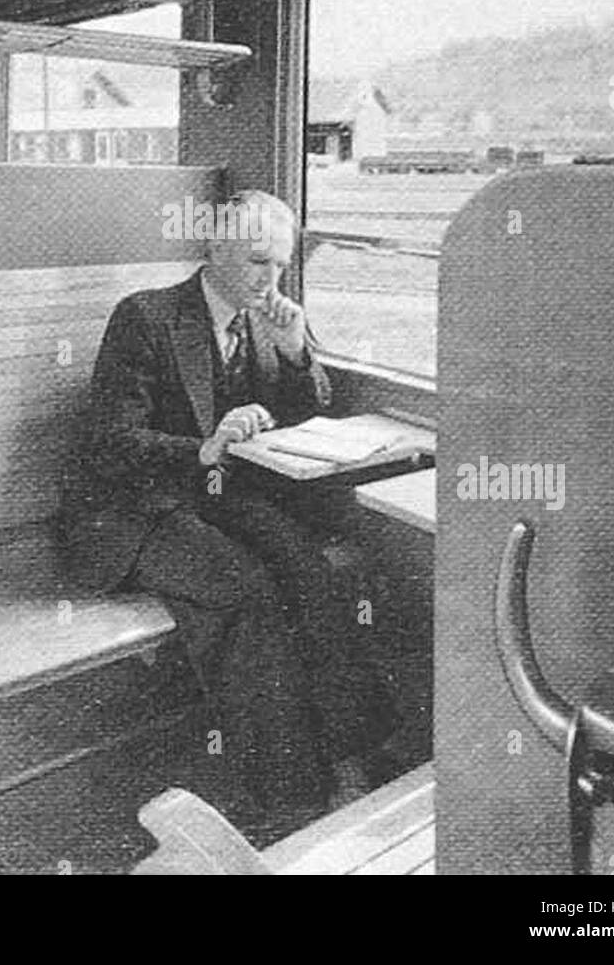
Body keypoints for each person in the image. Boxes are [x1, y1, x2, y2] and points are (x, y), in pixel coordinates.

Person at [62, 189, 397, 832]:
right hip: (134, 510)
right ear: (212, 248)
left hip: (217, 501)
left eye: (278, 265)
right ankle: (292, 794)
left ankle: (354, 754)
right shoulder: (147, 317)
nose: (268, 278)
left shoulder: (260, 319)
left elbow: (303, 417)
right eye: (254, 261)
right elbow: (109, 443)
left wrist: (297, 351)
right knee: (246, 592)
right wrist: (204, 449)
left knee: (308, 570)